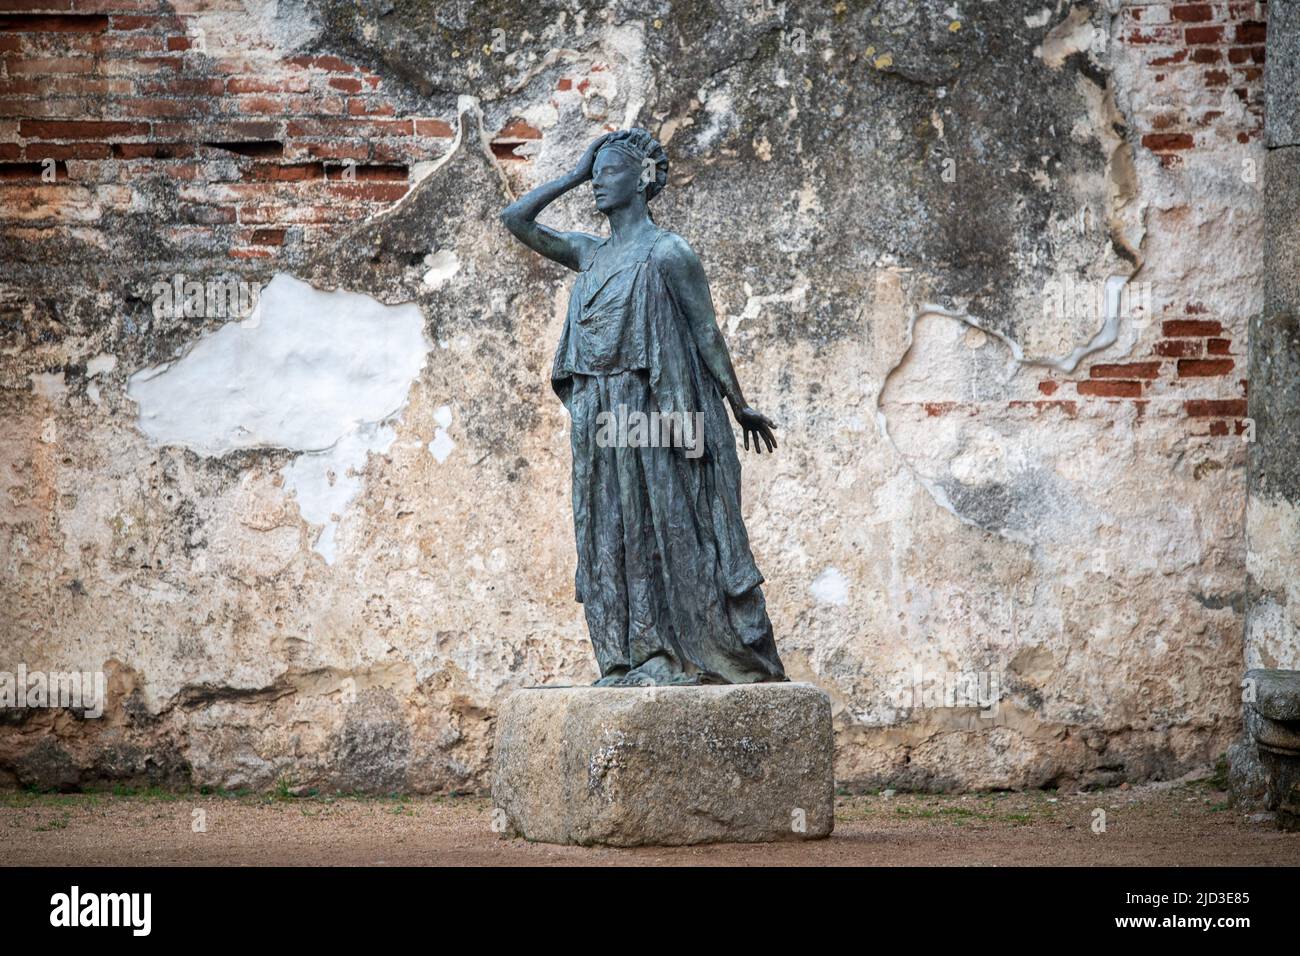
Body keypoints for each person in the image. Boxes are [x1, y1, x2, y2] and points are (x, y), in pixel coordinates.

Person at [500, 128, 786, 686]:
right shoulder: (590, 252)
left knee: (666, 523)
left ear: (642, 179)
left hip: (656, 411)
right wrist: (578, 168)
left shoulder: (668, 252)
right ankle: (629, 654)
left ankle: (680, 650)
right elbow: (516, 220)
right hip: (599, 414)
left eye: (608, 172)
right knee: (608, 529)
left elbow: (706, 333)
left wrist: (739, 406)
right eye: (596, 173)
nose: (598, 183)